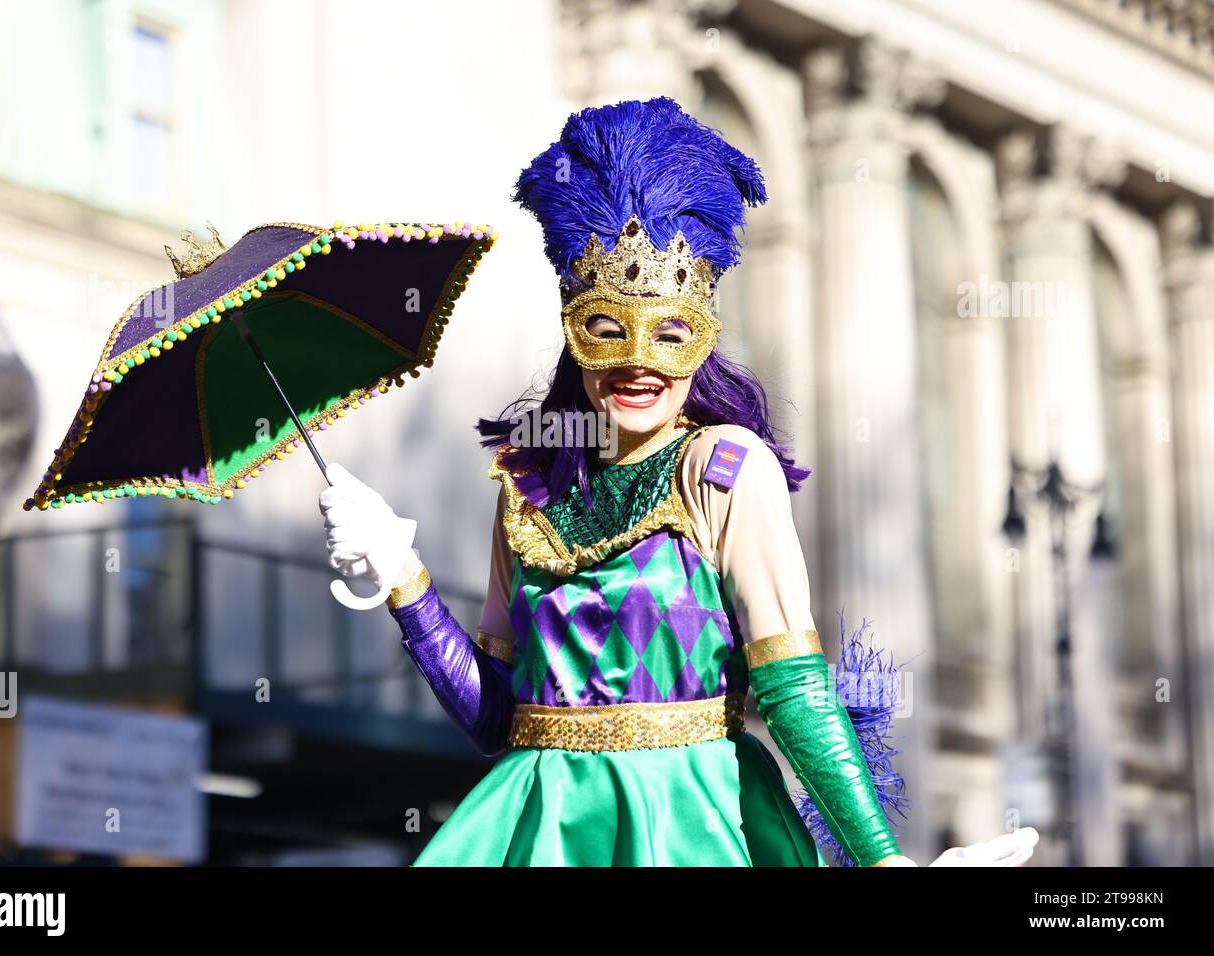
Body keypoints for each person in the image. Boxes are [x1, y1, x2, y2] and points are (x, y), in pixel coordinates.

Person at [319, 97, 1037, 867]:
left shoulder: (722, 469)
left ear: (703, 339)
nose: (640, 365)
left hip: (686, 826)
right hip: (543, 830)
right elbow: (500, 722)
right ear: (573, 334)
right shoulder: (527, 485)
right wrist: (405, 582)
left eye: (669, 334)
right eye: (607, 330)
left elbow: (792, 688)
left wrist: (885, 860)